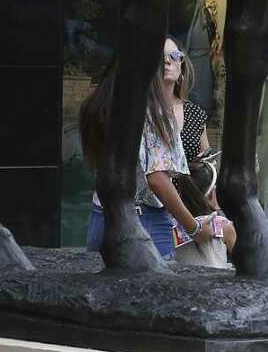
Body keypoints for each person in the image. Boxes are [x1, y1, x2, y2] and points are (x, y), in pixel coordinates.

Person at [81, 40, 235, 259]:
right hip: (145, 221)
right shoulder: (155, 113)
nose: (167, 61)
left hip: (103, 215)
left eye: (174, 56)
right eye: (160, 57)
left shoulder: (109, 107)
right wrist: (194, 228)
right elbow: (158, 178)